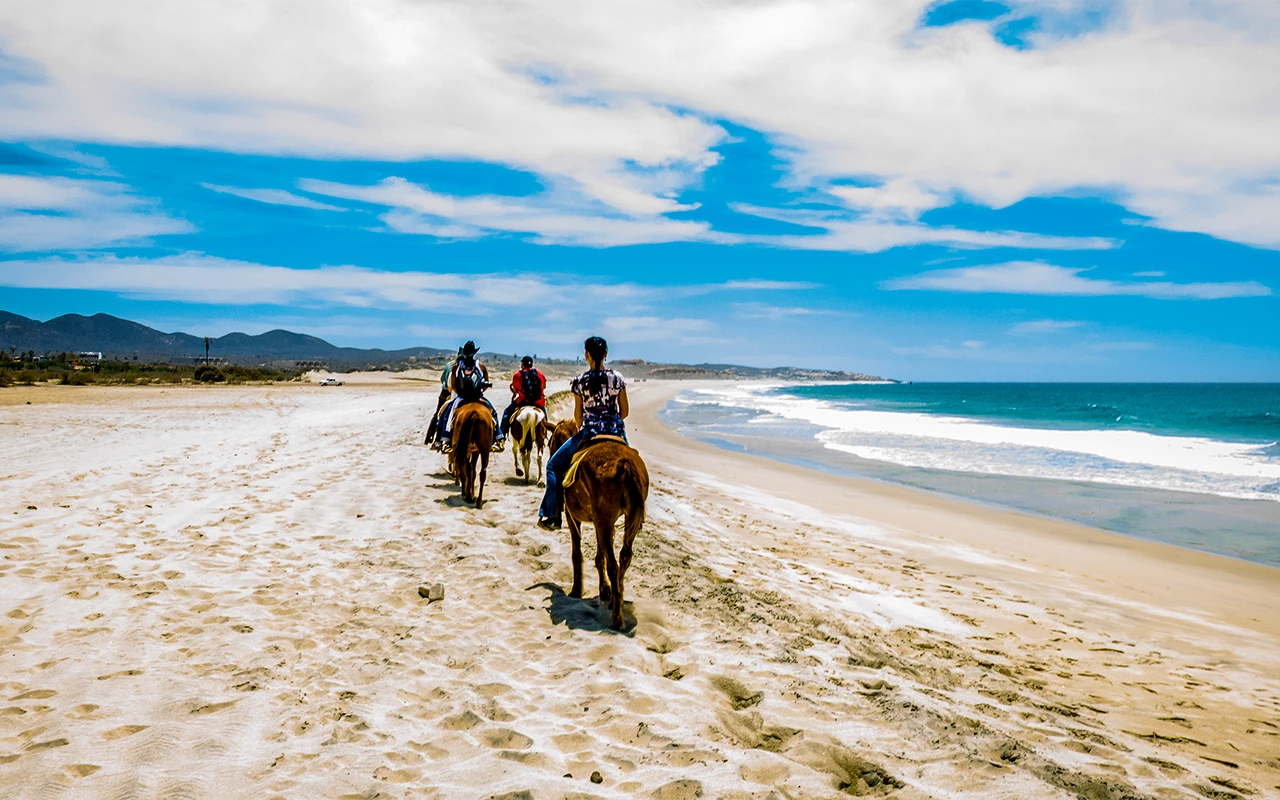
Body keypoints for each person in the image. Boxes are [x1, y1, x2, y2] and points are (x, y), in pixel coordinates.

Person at [537, 336, 628, 530]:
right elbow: (625, 412)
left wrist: (589, 421)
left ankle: (552, 515)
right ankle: (636, 513)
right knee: (631, 466)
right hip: (616, 432)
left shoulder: (579, 381)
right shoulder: (618, 379)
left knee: (553, 466)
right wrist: (612, 421)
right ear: (606, 355)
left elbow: (578, 417)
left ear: (586, 354)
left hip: (590, 433)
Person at [440, 341, 504, 452]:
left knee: (446, 414)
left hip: (461, 397)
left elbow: (454, 386)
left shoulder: (456, 366)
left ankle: (445, 440)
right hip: (477, 397)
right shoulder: (481, 366)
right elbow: (486, 383)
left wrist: (461, 393)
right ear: (474, 353)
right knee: (493, 413)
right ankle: (498, 438)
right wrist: (479, 391)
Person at [500, 356, 547, 437]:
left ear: (522, 364)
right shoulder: (539, 373)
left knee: (506, 413)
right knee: (545, 416)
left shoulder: (517, 375)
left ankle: (501, 437)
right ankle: (545, 433)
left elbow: (515, 390)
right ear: (532, 364)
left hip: (522, 401)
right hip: (538, 402)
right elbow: (544, 386)